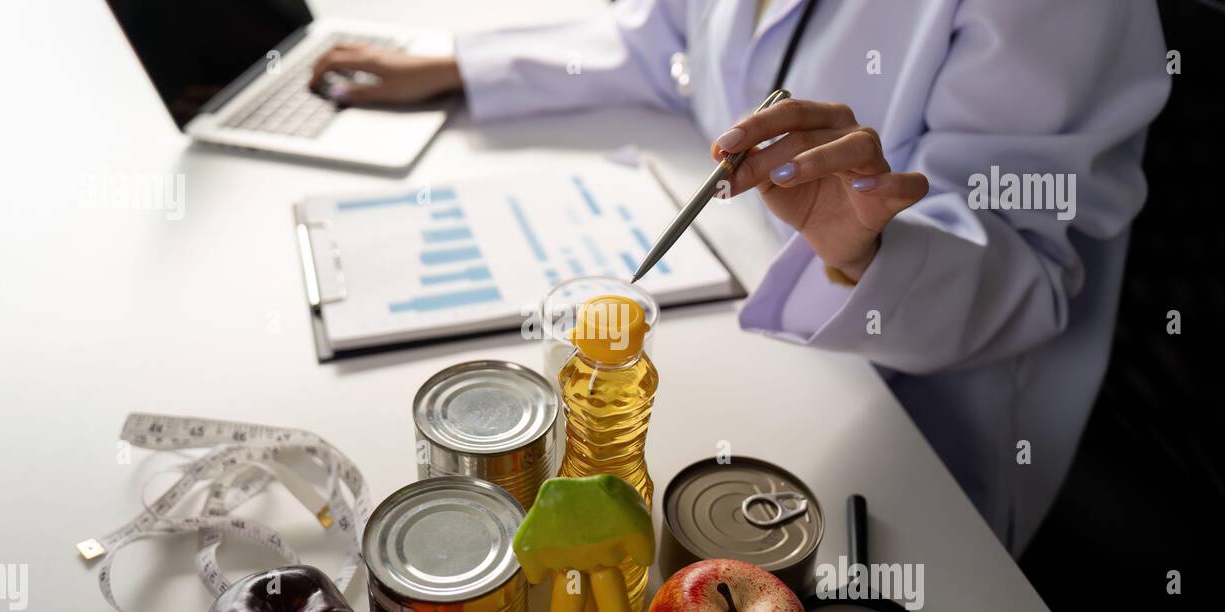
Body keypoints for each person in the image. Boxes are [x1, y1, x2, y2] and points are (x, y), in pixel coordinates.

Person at [311, 0, 1170, 557]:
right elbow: (670, 40)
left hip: (917, 454)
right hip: (744, 308)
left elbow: (1031, 273)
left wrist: (862, 252)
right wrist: (468, 64)